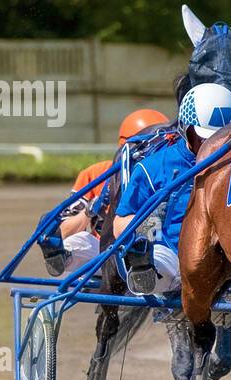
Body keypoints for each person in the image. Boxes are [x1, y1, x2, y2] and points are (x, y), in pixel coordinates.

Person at [115, 84, 231, 296]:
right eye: (205, 137)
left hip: (225, 258)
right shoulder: (152, 167)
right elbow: (121, 222)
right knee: (157, 260)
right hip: (170, 256)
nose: (213, 145)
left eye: (222, 138)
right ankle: (146, 270)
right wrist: (147, 227)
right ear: (185, 127)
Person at [42, 109, 168, 276]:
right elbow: (63, 232)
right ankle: (61, 257)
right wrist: (89, 211)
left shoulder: (170, 175)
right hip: (104, 256)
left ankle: (141, 268)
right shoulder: (97, 174)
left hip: (153, 255)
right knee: (76, 242)